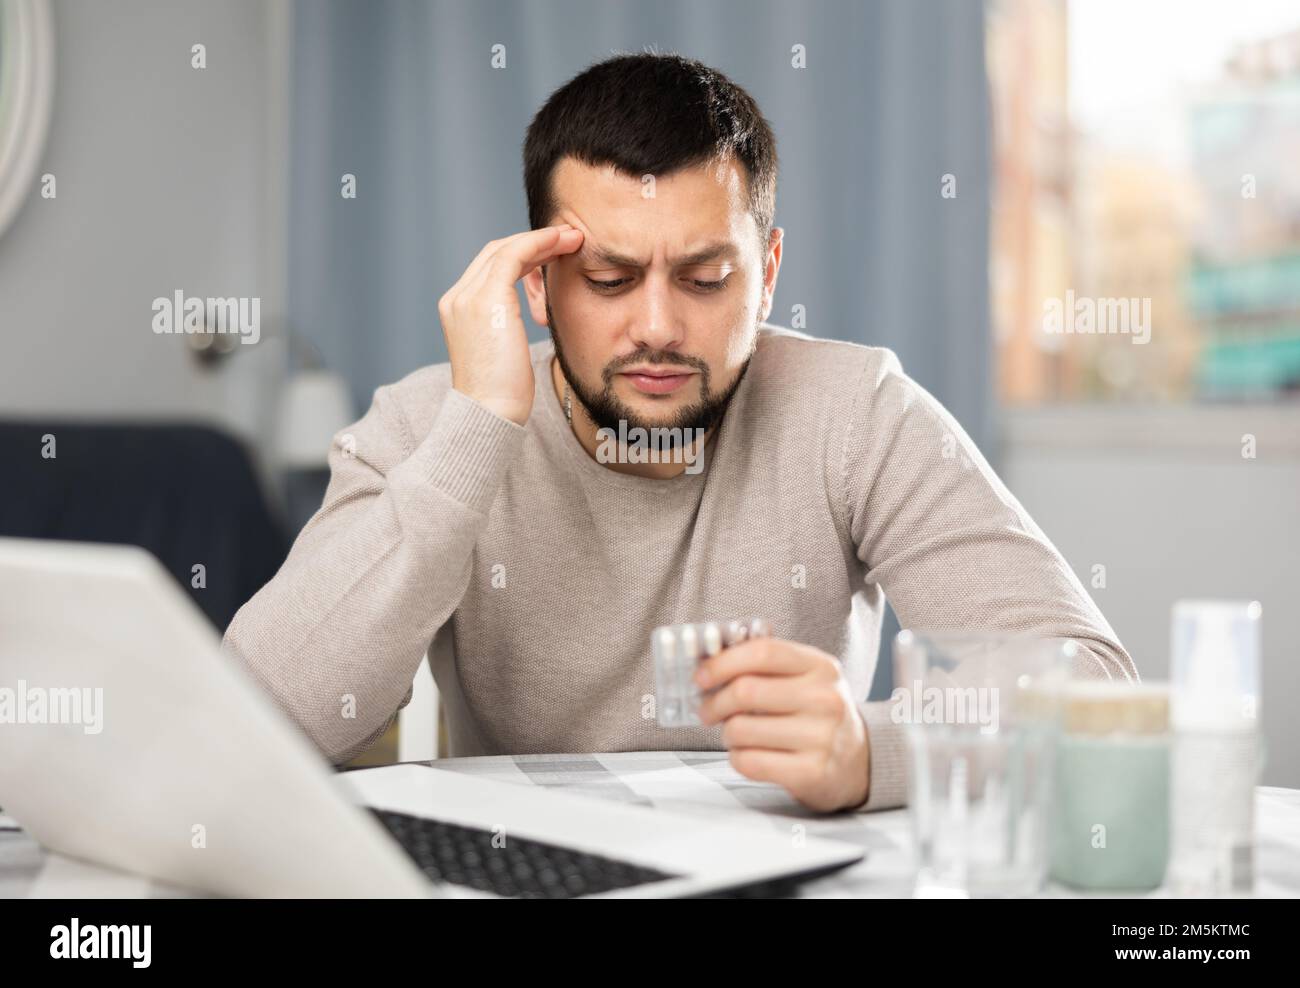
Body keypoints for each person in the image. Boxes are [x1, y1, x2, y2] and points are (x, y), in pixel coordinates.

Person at [224, 52, 1134, 813]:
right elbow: (251, 720)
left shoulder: (857, 412)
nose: (657, 326)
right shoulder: (434, 422)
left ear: (767, 273)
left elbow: (1095, 689)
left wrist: (873, 749)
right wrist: (478, 431)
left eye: (704, 279)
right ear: (537, 284)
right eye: (610, 279)